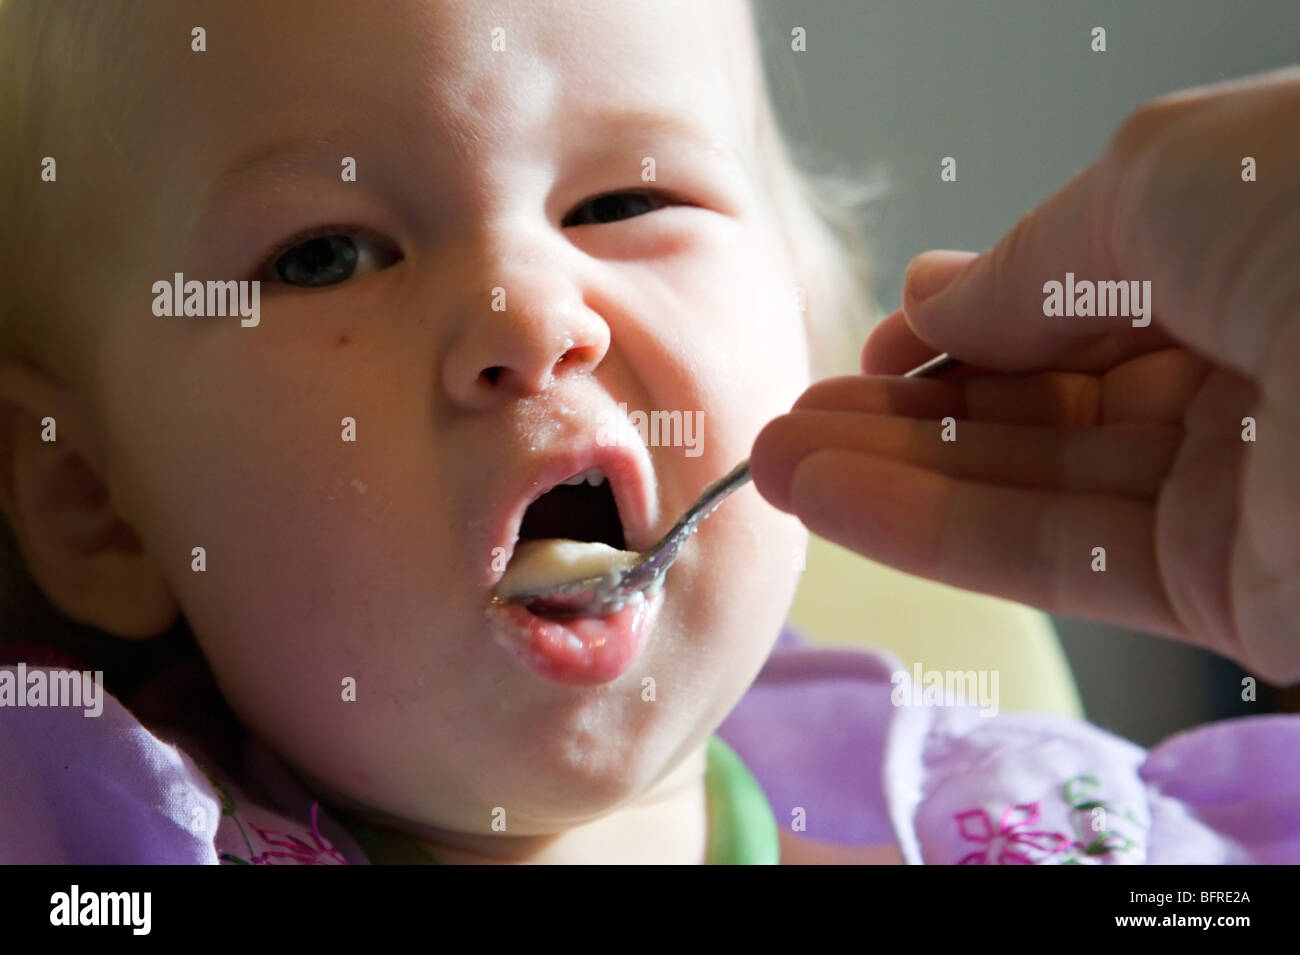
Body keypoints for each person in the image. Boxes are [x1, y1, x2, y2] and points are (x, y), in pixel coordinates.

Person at [0, 0, 1295, 865]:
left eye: (626, 198)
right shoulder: (70, 827)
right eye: (328, 255)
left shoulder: (1029, 828)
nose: (531, 316)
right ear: (93, 503)